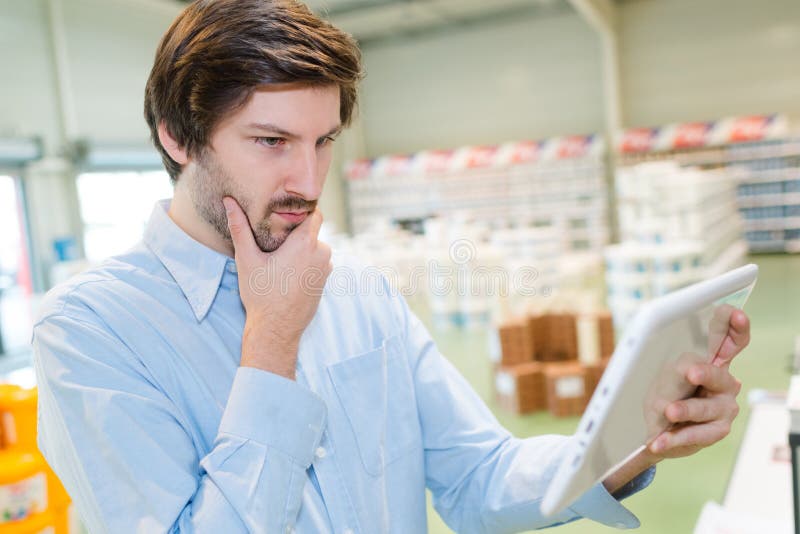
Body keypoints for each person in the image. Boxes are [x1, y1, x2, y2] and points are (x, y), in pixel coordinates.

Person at [32, 1, 750, 532]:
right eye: (272, 141)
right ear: (177, 136)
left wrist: (630, 441)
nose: (308, 181)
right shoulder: (90, 332)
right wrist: (273, 345)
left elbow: (477, 474)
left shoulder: (358, 292)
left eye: (323, 142)